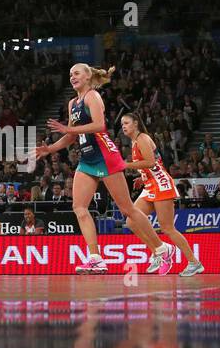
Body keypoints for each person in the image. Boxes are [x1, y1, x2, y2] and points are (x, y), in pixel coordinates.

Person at [32, 64, 173, 275]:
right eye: (70, 74)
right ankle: (96, 258)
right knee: (79, 208)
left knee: (127, 210)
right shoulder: (73, 103)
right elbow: (71, 137)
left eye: (76, 73)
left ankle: (162, 248)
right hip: (87, 158)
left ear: (88, 76)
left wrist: (69, 128)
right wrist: (49, 149)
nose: (72, 77)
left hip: (106, 156)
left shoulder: (92, 97)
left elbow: (99, 126)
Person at [120, 113, 203, 276]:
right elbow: (152, 166)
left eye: (127, 123)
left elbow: (151, 162)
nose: (123, 126)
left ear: (136, 124)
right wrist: (142, 178)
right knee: (131, 221)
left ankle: (194, 263)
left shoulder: (142, 138)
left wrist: (126, 164)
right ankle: (160, 252)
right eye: (122, 123)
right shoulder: (134, 141)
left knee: (167, 228)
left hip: (161, 184)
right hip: (150, 184)